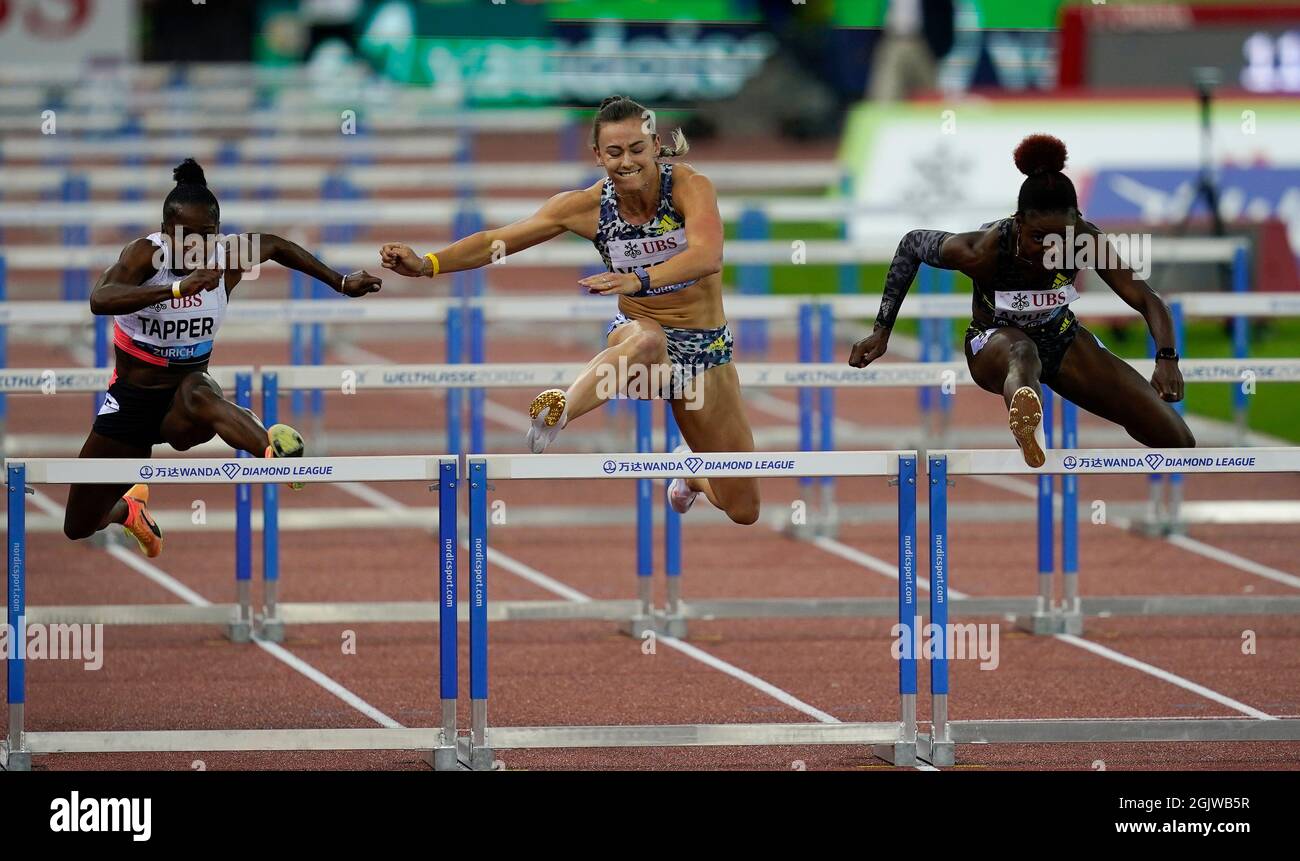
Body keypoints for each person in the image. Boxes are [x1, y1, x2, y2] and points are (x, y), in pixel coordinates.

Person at [380, 95, 760, 524]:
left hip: (705, 350)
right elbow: (496, 241)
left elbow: (708, 256)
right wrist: (427, 265)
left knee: (743, 506)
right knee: (648, 339)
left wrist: (638, 278)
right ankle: (560, 410)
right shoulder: (586, 208)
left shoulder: (690, 187)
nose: (627, 162)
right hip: (638, 341)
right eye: (614, 152)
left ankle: (688, 475)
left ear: (655, 146)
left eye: (637, 149)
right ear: (598, 156)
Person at [64, 158, 383, 556]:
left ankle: (274, 453)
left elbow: (276, 245)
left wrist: (340, 281)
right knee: (77, 525)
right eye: (187, 237)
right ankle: (129, 512)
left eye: (208, 235)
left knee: (201, 390)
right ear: (167, 233)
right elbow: (100, 299)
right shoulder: (144, 255)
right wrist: (179, 289)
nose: (198, 246)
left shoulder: (228, 257)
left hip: (185, 409)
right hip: (130, 405)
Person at [848, 134, 1195, 466]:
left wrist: (1167, 358)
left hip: (1061, 338)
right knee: (1022, 351)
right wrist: (882, 330)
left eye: (1060, 238)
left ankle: (1056, 406)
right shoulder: (982, 250)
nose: (1049, 248)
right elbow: (911, 244)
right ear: (1019, 222)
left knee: (1177, 440)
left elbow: (1146, 298)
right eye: (1038, 238)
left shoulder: (1085, 240)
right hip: (993, 344)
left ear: (1076, 222)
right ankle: (1025, 423)